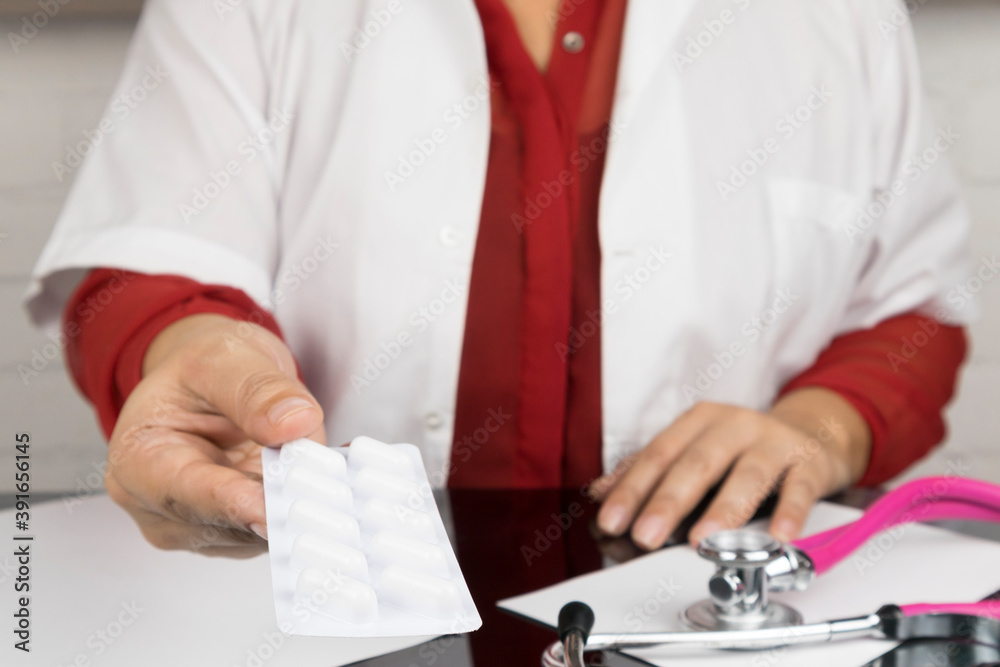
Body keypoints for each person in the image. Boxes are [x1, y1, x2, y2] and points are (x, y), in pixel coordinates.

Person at [26, 0, 972, 558]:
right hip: (331, 603)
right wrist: (198, 356)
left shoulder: (836, 16)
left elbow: (914, 316)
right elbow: (150, 273)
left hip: (702, 612)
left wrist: (821, 426)